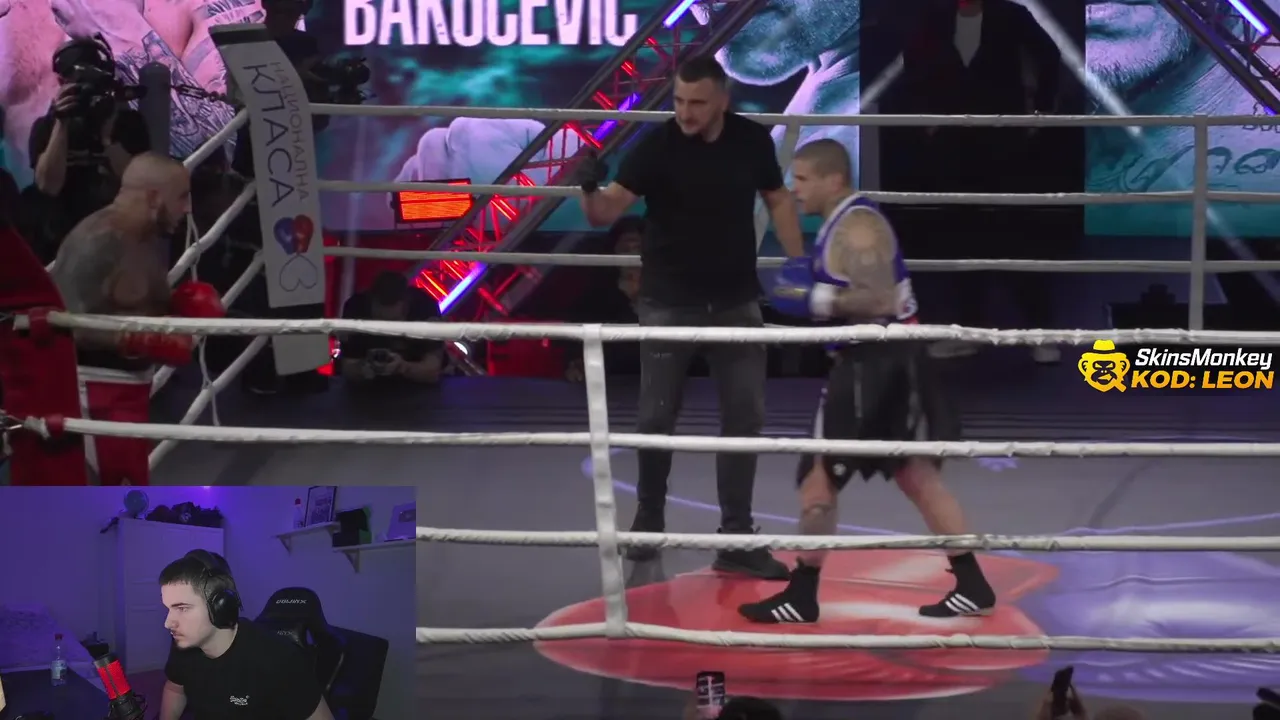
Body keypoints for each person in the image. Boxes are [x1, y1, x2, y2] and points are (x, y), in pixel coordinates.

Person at [738, 139, 995, 622]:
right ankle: (973, 583)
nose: (795, 189)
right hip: (888, 361)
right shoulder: (845, 223)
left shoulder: (857, 227)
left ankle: (801, 595)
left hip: (873, 364)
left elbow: (877, 299)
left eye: (803, 179)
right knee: (916, 477)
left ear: (833, 179)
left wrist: (814, 300)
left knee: (819, 482)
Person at [576, 56, 806, 579]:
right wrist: (588, 188)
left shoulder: (751, 141)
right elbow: (605, 213)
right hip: (668, 299)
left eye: (697, 103)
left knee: (744, 415)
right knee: (655, 418)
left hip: (734, 298)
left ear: (723, 99)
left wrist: (798, 265)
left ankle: (736, 536)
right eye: (679, 101)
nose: (685, 112)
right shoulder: (657, 146)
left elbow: (778, 200)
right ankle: (649, 519)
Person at [897, 0, 1063, 364]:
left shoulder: (1011, 14)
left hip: (1004, 142)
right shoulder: (934, 16)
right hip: (953, 144)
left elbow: (1049, 56)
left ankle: (1040, 334)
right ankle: (968, 332)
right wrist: (926, 117)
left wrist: (1040, 110)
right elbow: (912, 65)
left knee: (1018, 237)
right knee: (960, 239)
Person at [51, 153, 224, 485]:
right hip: (93, 392)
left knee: (130, 488)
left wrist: (179, 307)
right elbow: (64, 322)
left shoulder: (147, 235)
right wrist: (138, 338)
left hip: (130, 389)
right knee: (112, 494)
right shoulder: (96, 242)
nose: (187, 208)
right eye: (181, 197)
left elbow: (134, 300)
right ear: (154, 198)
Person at [159, 550, 334, 720]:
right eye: (169, 609)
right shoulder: (184, 643)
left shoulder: (280, 660)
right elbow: (175, 689)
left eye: (182, 608)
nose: (168, 623)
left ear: (220, 606)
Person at [26, 36, 151, 258]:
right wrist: (62, 123)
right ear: (61, 83)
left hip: (117, 236)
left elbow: (138, 182)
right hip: (62, 239)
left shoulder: (129, 123)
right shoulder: (46, 126)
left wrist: (107, 137)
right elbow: (48, 186)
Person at [338, 271, 444, 386]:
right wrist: (363, 368)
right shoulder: (356, 309)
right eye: (380, 321)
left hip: (416, 386)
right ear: (371, 302)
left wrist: (402, 367)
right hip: (366, 386)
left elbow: (433, 371)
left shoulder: (425, 309)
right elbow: (347, 368)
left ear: (406, 307)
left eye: (393, 321)